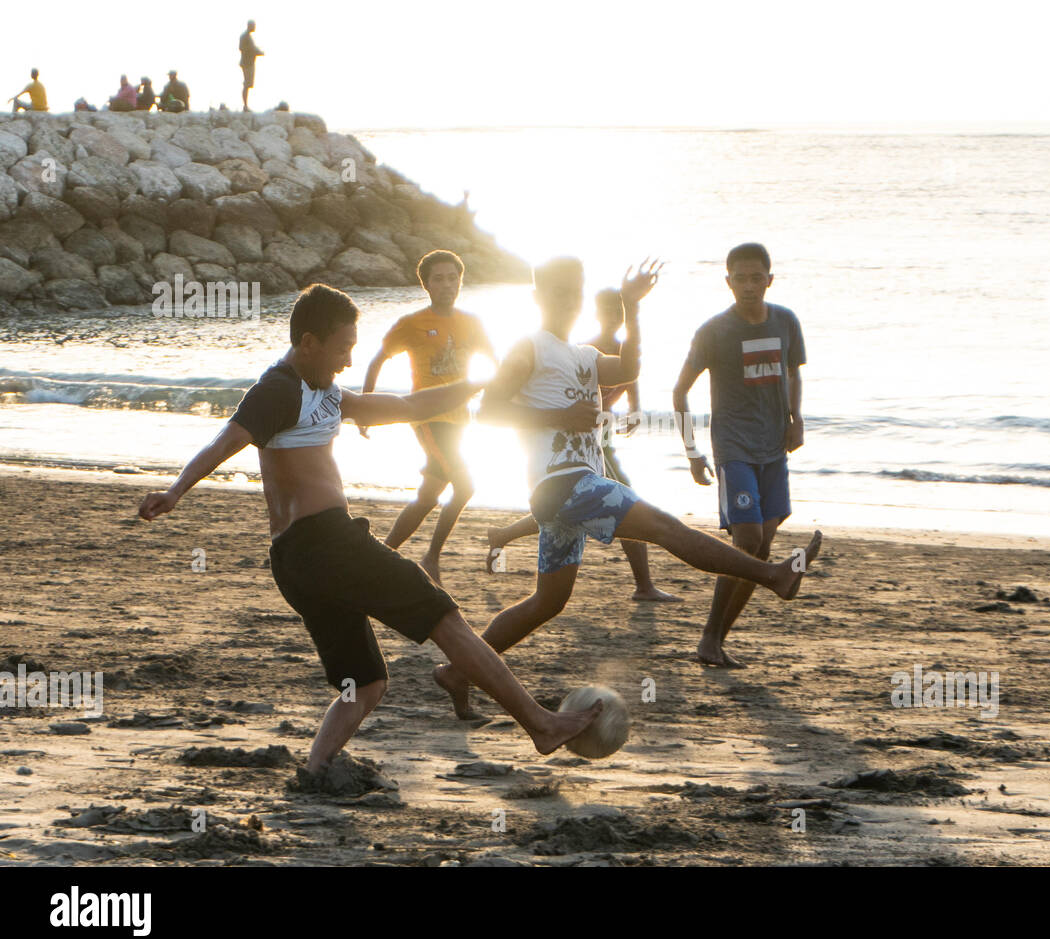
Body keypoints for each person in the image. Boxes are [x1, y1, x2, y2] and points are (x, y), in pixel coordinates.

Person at [136, 284, 602, 775]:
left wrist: (480, 384)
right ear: (309, 342)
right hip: (327, 544)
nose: (348, 360)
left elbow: (407, 407)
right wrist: (176, 491)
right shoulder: (276, 390)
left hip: (296, 561)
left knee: (365, 682)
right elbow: (225, 439)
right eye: (342, 348)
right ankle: (541, 725)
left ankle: (315, 770)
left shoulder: (325, 392)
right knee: (444, 617)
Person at [432, 257, 821, 720]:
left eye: (575, 293)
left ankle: (457, 672)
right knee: (661, 525)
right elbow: (489, 411)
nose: (569, 302)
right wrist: (558, 418)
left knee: (548, 601)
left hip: (569, 489)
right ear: (538, 298)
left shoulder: (582, 354)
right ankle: (774, 575)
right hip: (563, 483)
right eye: (559, 293)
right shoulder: (528, 349)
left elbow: (630, 368)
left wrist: (632, 308)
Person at [486, 287, 680, 602]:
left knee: (567, 509)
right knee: (619, 498)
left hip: (597, 438)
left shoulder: (620, 347)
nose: (613, 319)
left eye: (619, 313)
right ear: (598, 313)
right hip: (573, 440)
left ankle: (503, 534)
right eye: (608, 312)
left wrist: (634, 410)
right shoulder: (584, 349)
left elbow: (630, 377)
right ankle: (644, 585)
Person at [672, 242, 807, 668]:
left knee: (762, 545)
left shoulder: (786, 321)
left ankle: (714, 641)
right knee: (746, 540)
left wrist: (795, 416)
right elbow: (679, 391)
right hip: (733, 450)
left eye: (756, 278)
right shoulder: (714, 332)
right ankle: (710, 636)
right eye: (740, 278)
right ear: (727, 281)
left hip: (773, 448)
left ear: (770, 278)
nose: (748, 286)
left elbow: (792, 370)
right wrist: (692, 451)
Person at [360, 251, 495, 584]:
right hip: (428, 419)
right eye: (439, 278)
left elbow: (496, 365)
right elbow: (377, 361)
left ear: (460, 281)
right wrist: (364, 409)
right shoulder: (411, 324)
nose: (447, 284)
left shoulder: (473, 324)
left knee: (428, 496)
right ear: (426, 284)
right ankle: (430, 558)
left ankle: (381, 556)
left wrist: (496, 398)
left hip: (460, 420)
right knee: (465, 486)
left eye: (453, 277)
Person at [239, 19, 263, 111]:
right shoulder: (245, 36)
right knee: (247, 84)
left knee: (248, 84)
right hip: (247, 63)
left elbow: (252, 48)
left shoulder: (248, 36)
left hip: (249, 62)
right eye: (253, 25)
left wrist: (257, 51)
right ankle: (245, 106)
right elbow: (243, 48)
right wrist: (256, 52)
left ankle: (246, 105)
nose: (255, 27)